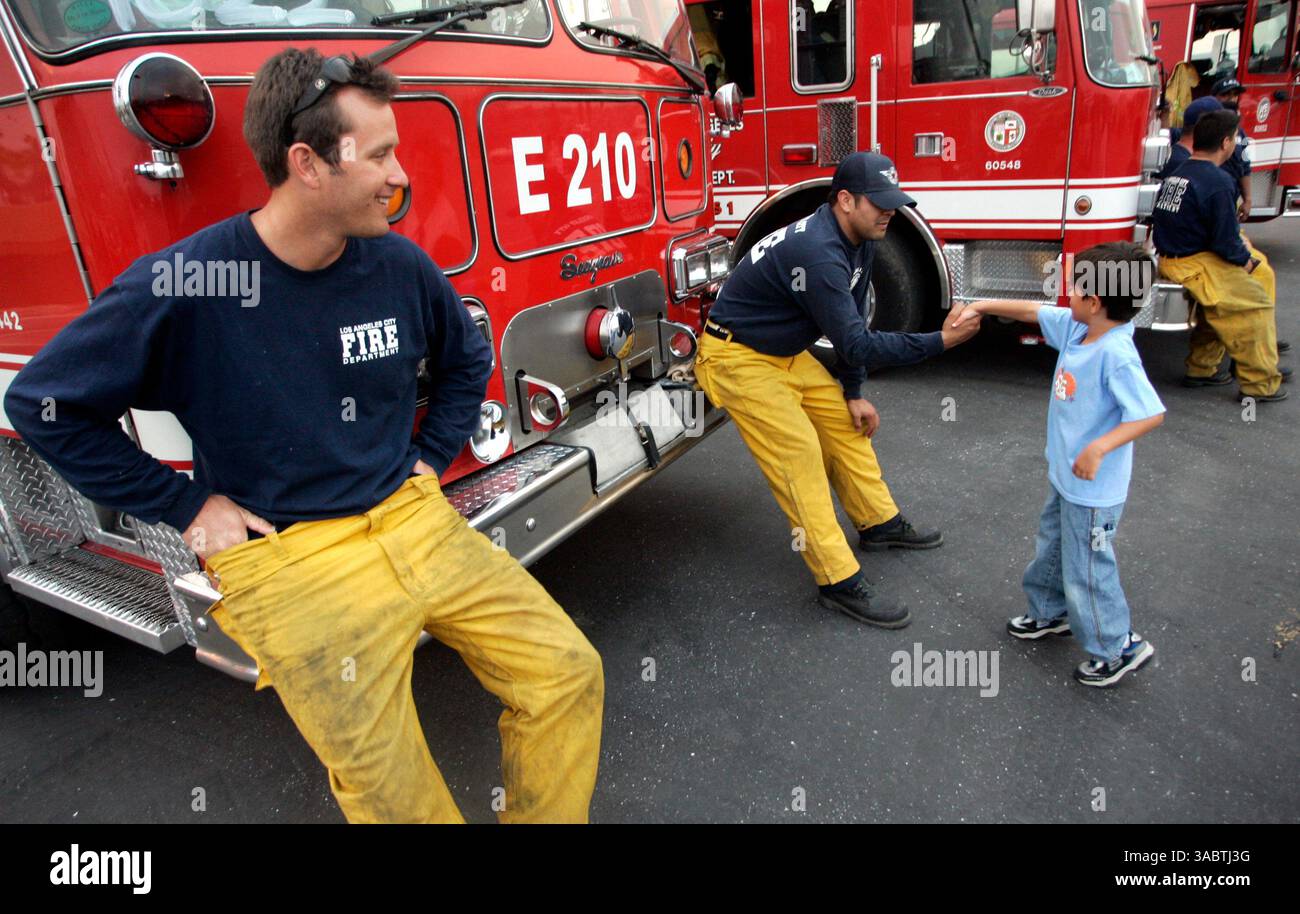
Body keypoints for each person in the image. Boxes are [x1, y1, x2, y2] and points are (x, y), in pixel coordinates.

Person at [3, 49, 604, 823]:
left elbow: (466, 357)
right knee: (394, 797)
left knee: (566, 674)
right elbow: (44, 402)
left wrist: (427, 456)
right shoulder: (193, 280)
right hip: (293, 559)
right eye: (380, 154)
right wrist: (186, 507)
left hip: (412, 517)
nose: (399, 175)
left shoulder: (396, 264)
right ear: (307, 163)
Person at [693, 152, 980, 629]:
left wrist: (853, 391)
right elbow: (857, 340)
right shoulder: (819, 251)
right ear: (845, 200)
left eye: (894, 201)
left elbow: (850, 324)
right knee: (799, 453)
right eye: (879, 203)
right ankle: (837, 581)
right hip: (734, 356)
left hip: (782, 352)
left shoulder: (861, 237)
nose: (890, 212)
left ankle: (879, 524)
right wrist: (942, 340)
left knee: (847, 426)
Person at [952, 243, 1165, 686]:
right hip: (1067, 480)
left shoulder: (1116, 353)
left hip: (1093, 491)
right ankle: (1050, 612)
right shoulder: (1078, 329)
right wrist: (980, 304)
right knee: (1053, 546)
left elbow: (1149, 413)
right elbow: (1033, 310)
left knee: (1089, 568)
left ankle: (1118, 647)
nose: (1067, 293)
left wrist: (1099, 448)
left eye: (1077, 287)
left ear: (1097, 302)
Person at [1152, 109, 1287, 402]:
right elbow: (1226, 241)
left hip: (1176, 257)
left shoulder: (1178, 173)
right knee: (1254, 304)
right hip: (1194, 262)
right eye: (1235, 139)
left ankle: (1203, 369)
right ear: (1226, 143)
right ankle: (1260, 384)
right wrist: (1245, 261)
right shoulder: (1218, 182)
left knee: (1225, 302)